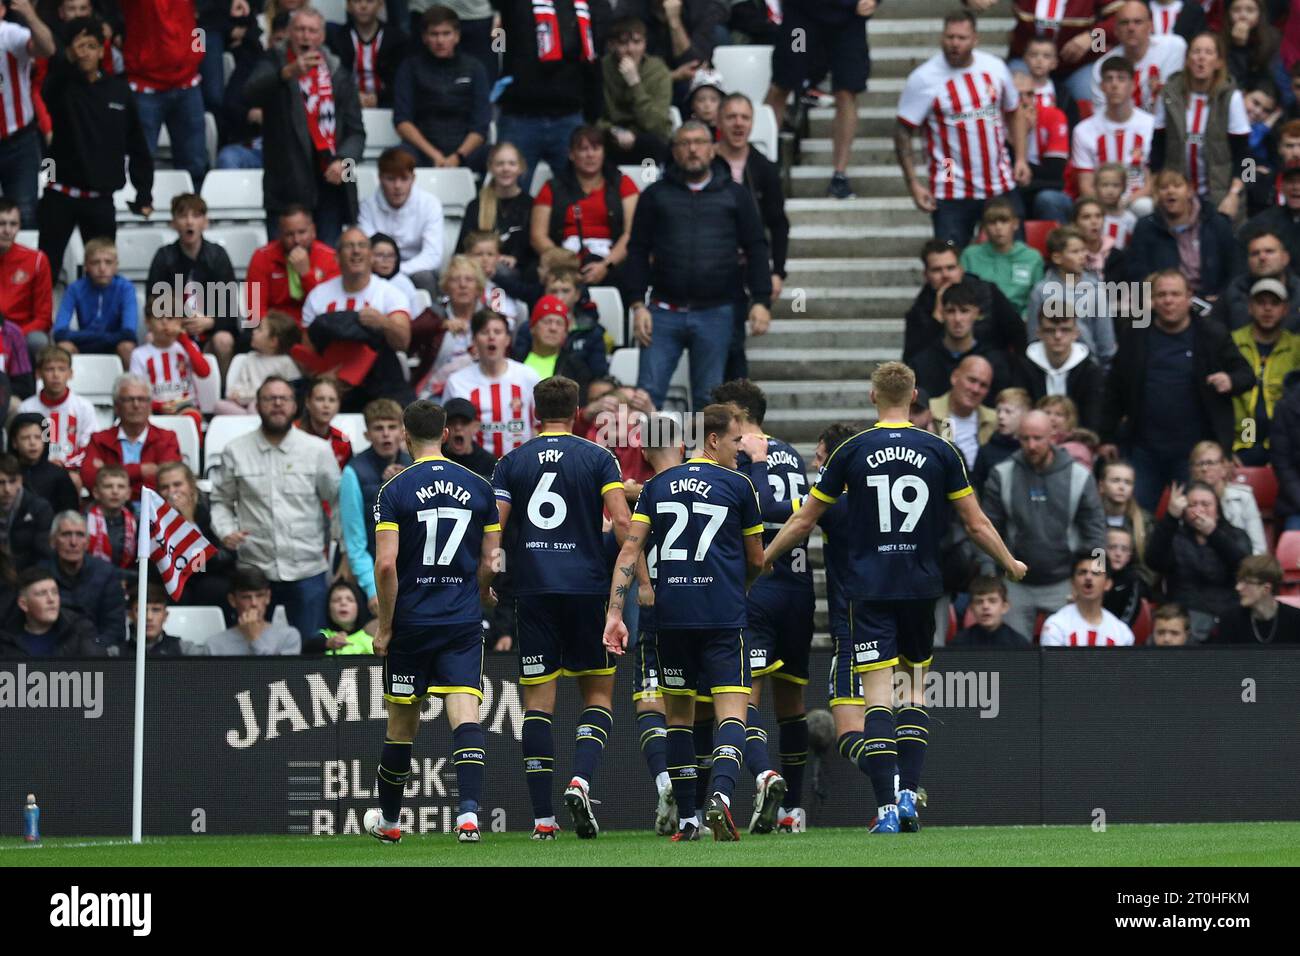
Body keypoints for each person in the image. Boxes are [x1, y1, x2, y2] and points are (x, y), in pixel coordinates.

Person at [761, 361, 1026, 834]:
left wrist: (764, 557)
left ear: (871, 396)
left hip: (869, 589)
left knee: (878, 697)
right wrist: (1009, 562)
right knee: (915, 694)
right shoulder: (940, 450)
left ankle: (886, 808)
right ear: (915, 395)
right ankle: (908, 796)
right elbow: (975, 522)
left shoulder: (853, 450)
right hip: (921, 589)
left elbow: (802, 520)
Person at [602, 402, 768, 842]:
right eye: (735, 441)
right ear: (713, 441)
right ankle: (723, 798)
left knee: (677, 717)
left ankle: (690, 819)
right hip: (722, 615)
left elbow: (629, 552)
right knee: (732, 711)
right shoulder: (738, 484)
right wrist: (740, 587)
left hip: (671, 617)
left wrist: (615, 614)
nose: (739, 450)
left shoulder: (656, 486)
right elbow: (757, 558)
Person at [491, 375, 639, 838]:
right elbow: (619, 520)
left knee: (538, 705)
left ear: (536, 413)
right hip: (588, 588)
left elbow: (494, 530)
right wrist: (637, 577)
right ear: (578, 412)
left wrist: (492, 576)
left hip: (534, 591)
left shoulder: (511, 461)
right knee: (597, 696)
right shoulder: (598, 456)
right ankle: (580, 780)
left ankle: (542, 820)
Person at [364, 398, 497, 843]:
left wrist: (385, 626)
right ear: (444, 434)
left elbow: (385, 565)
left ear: (405, 436)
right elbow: (491, 559)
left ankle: (389, 824)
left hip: (413, 623)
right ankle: (469, 817)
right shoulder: (480, 487)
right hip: (461, 620)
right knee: (465, 714)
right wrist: (480, 593)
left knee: (402, 727)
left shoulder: (395, 489)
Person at [712, 379, 811, 834]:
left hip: (760, 588)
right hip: (799, 587)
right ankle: (792, 809)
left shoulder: (747, 455)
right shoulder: (791, 453)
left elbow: (764, 508)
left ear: (737, 411)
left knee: (743, 696)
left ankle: (762, 781)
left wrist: (750, 467)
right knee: (791, 701)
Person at [628, 122, 773, 411]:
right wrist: (636, 304)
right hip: (662, 312)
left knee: (709, 405)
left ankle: (701, 457)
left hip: (716, 312)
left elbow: (757, 247)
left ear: (712, 148)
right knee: (645, 398)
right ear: (675, 150)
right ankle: (644, 457)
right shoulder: (655, 195)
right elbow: (638, 250)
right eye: (684, 143)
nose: (692, 149)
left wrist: (761, 300)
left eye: (699, 142)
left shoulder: (735, 194)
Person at [1099, 269, 1256, 511]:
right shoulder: (1135, 334)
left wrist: (1229, 380)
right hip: (1144, 449)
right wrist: (1107, 436)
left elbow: (1246, 375)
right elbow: (1114, 388)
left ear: (1189, 296)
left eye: (1175, 294)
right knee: (1136, 517)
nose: (1168, 300)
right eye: (1161, 294)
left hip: (1194, 453)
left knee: (1197, 518)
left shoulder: (1211, 334)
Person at [210, 376, 342, 640]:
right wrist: (226, 531)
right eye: (270, 399)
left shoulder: (316, 450)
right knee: (255, 652)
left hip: (308, 570)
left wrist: (342, 553)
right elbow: (220, 501)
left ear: (295, 406)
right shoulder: (236, 451)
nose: (277, 404)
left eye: (284, 399)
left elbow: (339, 501)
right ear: (257, 405)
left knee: (311, 653)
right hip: (255, 569)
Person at [896, 10, 1030, 246]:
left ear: (975, 39)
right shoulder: (924, 78)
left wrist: (1020, 158)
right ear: (941, 38)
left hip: (998, 181)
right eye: (949, 37)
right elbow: (903, 131)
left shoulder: (995, 68)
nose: (954, 44)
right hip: (951, 183)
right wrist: (914, 184)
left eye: (961, 38)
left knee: (1013, 253)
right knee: (951, 259)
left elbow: (1015, 111)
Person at [38, 16, 153, 287]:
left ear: (103, 50)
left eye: (92, 45)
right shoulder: (60, 86)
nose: (86, 52)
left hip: (100, 200)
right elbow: (48, 89)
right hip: (59, 196)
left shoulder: (119, 91)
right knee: (45, 272)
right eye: (79, 46)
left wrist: (144, 191)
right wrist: (66, 61)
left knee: (102, 276)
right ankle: (40, 327)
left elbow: (137, 144)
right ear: (70, 51)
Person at [244, 7, 365, 245]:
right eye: (299, 29)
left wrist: (344, 161)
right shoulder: (274, 61)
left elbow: (357, 133)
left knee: (326, 270)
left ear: (321, 37)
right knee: (283, 267)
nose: (305, 36)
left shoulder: (338, 71)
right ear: (289, 33)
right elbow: (249, 94)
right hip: (286, 190)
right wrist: (286, 73)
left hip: (331, 187)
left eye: (312, 31)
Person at [983, 409, 1107, 639]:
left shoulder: (1079, 476)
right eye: (1025, 438)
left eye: (1038, 438)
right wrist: (989, 574)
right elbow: (987, 529)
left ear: (1053, 437)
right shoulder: (1002, 474)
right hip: (1014, 584)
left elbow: (1097, 532)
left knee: (1066, 664)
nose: (1031, 445)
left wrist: (1098, 572)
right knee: (1015, 661)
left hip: (1063, 584)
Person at [765, 0, 878, 198]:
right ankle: (761, 164)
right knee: (784, 81)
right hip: (802, 17)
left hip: (848, 19)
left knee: (846, 91)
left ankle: (840, 175)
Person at [493, 0, 607, 188]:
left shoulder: (589, 4)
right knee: (509, 193)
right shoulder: (517, 5)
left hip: (570, 117)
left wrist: (593, 115)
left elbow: (594, 59)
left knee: (578, 194)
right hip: (521, 116)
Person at [716, 92, 789, 382]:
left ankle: (737, 407)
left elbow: (779, 224)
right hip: (712, 265)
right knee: (730, 340)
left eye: (744, 117)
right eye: (731, 116)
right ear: (719, 120)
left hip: (750, 262)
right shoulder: (703, 162)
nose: (738, 123)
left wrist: (778, 271)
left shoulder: (764, 168)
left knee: (734, 341)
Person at [299, 227, 414, 410]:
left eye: (362, 246)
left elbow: (403, 342)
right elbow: (306, 352)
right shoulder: (318, 295)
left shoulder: (390, 293)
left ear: (371, 256)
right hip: (330, 382)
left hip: (379, 382)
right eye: (349, 246)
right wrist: (322, 376)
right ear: (336, 257)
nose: (356, 251)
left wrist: (384, 322)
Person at [1152, 32, 1251, 216]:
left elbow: (1247, 157)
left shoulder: (1232, 98)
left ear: (1219, 62)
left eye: (1208, 52)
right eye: (1196, 52)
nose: (1201, 57)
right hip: (1177, 195)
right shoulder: (1168, 95)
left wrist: (1235, 194)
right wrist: (1154, 188)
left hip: (1220, 196)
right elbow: (1157, 147)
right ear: (1187, 59)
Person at [530, 125, 638, 292]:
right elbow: (537, 236)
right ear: (571, 155)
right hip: (564, 258)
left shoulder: (623, 184)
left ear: (603, 152)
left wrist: (606, 265)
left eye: (595, 148)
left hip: (612, 259)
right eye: (583, 149)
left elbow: (631, 233)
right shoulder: (552, 187)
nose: (590, 155)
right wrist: (565, 262)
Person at [144, 194, 239, 377]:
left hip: (210, 332)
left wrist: (210, 321)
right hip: (174, 331)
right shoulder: (164, 257)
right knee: (150, 338)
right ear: (173, 223)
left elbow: (230, 307)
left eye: (196, 216)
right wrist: (176, 324)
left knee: (224, 340)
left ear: (205, 222)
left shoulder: (218, 256)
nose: (189, 222)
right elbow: (153, 304)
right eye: (183, 216)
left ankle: (223, 392)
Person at [1147, 478, 1253, 639]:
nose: (1199, 510)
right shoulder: (1173, 536)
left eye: (1205, 504)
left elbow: (1246, 568)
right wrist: (1170, 517)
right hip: (1185, 618)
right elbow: (1154, 561)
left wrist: (1213, 534)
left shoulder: (1236, 535)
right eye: (1192, 505)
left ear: (1217, 509)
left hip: (1228, 614)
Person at [118, 0, 208, 188]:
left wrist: (196, 54)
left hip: (188, 82)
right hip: (144, 86)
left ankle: (193, 213)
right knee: (139, 163)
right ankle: (139, 211)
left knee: (195, 164)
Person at [392, 6, 489, 172]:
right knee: (395, 158)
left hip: (466, 151)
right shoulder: (409, 67)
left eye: (446, 34)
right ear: (424, 38)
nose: (440, 40)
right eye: (434, 34)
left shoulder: (475, 68)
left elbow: (480, 126)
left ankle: (487, 199)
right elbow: (402, 121)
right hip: (422, 150)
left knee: (501, 156)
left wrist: (458, 156)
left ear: (457, 36)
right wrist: (435, 155)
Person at [903, 239, 1028, 366]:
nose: (945, 275)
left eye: (950, 268)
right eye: (937, 270)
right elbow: (911, 359)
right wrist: (936, 321)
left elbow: (1018, 334)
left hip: (991, 370)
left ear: (961, 269)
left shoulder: (988, 293)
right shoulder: (919, 310)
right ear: (926, 275)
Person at [339, 398, 412, 615]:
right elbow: (355, 541)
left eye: (392, 427)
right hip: (375, 577)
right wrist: (373, 589)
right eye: (378, 428)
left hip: (415, 575)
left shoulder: (415, 464)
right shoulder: (354, 472)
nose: (386, 434)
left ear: (402, 431)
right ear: (367, 434)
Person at [1122, 169, 1236, 298]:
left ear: (1190, 191)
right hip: (1166, 301)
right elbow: (1137, 272)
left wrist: (1221, 298)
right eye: (1163, 187)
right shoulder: (1145, 227)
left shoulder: (1216, 222)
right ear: (1157, 194)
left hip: (1213, 300)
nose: (1170, 191)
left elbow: (1234, 269)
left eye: (1177, 186)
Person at [443, 311, 541, 458]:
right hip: (476, 472)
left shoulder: (528, 377)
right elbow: (446, 432)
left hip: (521, 470)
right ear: (474, 340)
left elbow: (540, 425)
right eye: (484, 332)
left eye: (497, 332)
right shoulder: (457, 382)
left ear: (508, 339)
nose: (491, 337)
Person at [75, 374, 182, 499]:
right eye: (128, 400)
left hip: (154, 510)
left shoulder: (167, 438)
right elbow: (89, 479)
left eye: (141, 399)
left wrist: (108, 473)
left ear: (150, 405)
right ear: (116, 406)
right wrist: (140, 471)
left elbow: (168, 482)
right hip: (109, 511)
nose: (136, 405)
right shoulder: (99, 440)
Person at [1024, 226, 1118, 369]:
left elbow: (1105, 339)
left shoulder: (1096, 288)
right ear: (1057, 257)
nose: (1082, 256)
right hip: (1048, 366)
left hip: (1089, 366)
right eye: (1075, 252)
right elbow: (1034, 339)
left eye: (1083, 250)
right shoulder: (1040, 291)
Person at [1071, 56, 1156, 213]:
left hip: (1138, 200)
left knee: (1145, 207)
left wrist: (1127, 201)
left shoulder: (1151, 126)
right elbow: (1086, 185)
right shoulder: (1083, 130)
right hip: (1099, 203)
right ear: (1102, 86)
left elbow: (1155, 178)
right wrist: (1109, 206)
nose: (1115, 85)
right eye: (1109, 79)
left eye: (1121, 79)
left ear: (1133, 84)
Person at [1229, 278, 1300, 465]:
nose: (1267, 309)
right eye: (1261, 303)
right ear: (1250, 307)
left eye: (1275, 303)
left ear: (1285, 309)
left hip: (1285, 445)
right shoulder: (1231, 343)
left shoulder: (1296, 347)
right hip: (1241, 442)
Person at [908, 280, 1013, 406]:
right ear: (941, 313)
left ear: (977, 313)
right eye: (951, 311)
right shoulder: (922, 362)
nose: (958, 319)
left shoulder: (994, 362)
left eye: (964, 311)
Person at [357, 148, 444, 295]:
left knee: (425, 277)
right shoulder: (367, 206)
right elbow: (367, 250)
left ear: (413, 178)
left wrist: (398, 270)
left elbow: (433, 255)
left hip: (416, 271)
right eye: (391, 179)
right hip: (377, 270)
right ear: (380, 178)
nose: (397, 186)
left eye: (404, 179)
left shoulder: (430, 204)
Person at [0, 0, 55, 228]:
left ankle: (26, 264)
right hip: (20, 139)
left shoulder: (9, 35)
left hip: (18, 141)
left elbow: (47, 49)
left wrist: (29, 15)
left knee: (25, 213)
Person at [155, 460, 236, 610]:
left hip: (210, 573)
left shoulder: (211, 508)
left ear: (191, 485)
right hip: (175, 577)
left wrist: (188, 520)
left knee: (211, 588)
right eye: (165, 487)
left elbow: (222, 556)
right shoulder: (154, 516)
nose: (172, 491)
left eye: (177, 484)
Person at [245, 205, 341, 326]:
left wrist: (306, 275)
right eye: (289, 234)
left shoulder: (330, 258)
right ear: (279, 235)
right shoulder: (261, 257)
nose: (296, 240)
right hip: (275, 332)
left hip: (316, 330)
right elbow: (255, 312)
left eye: (302, 232)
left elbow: (328, 309)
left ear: (313, 231)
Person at [1014, 306, 1105, 432]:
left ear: (1076, 334)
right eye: (1050, 330)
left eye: (1065, 330)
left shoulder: (1090, 371)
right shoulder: (1024, 367)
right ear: (1039, 333)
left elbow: (1092, 418)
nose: (1057, 336)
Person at [456, 142, 536, 284]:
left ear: (521, 168)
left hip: (518, 277)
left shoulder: (532, 205)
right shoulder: (476, 205)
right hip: (478, 273)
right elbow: (461, 250)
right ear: (490, 168)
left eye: (512, 164)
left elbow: (533, 253)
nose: (506, 169)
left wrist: (516, 260)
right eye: (500, 164)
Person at [44, 508, 124, 649]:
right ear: (53, 541)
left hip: (96, 655)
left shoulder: (106, 574)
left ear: (87, 542)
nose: (73, 542)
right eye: (66, 534)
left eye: (80, 535)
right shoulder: (41, 575)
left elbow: (115, 626)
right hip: (51, 654)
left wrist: (93, 650)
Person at [599, 15, 672, 166]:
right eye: (623, 43)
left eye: (637, 42)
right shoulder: (602, 69)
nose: (631, 49)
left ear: (645, 44)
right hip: (612, 135)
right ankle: (610, 186)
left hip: (645, 136)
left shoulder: (658, 71)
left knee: (654, 143)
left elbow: (657, 124)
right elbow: (594, 116)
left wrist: (635, 83)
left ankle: (649, 184)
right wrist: (613, 131)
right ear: (612, 45)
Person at [1091, 1, 1187, 114]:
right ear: (1116, 30)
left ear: (1150, 26)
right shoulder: (1102, 66)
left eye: (1138, 22)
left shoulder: (1174, 47)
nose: (1131, 28)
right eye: (1124, 23)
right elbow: (1102, 116)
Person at [52, 238, 137, 364]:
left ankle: (131, 382)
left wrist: (88, 336)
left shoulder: (126, 288)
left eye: (108, 262)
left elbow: (129, 332)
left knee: (127, 347)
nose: (102, 268)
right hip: (85, 346)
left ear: (116, 266)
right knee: (64, 347)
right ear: (86, 266)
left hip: (113, 346)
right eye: (95, 262)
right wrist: (102, 336)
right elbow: (59, 332)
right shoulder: (75, 288)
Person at [130, 302, 211, 432]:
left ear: (180, 321)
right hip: (154, 409)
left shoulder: (188, 347)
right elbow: (137, 390)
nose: (165, 323)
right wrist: (159, 406)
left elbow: (204, 372)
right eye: (159, 317)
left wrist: (183, 338)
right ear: (148, 322)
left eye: (170, 318)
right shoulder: (139, 354)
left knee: (191, 419)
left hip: (186, 406)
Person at [191, 565, 304, 656]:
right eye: (246, 597)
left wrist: (254, 639)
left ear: (268, 597)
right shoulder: (215, 644)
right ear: (232, 600)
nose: (254, 603)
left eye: (259, 596)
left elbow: (280, 677)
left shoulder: (288, 636)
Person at [412, 256, 486, 392]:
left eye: (469, 280)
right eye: (455, 280)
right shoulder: (435, 314)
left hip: (482, 386)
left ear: (478, 287)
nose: (462, 285)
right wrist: (441, 324)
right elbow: (410, 334)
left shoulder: (489, 318)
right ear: (446, 287)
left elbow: (507, 351)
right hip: (439, 388)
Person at [960, 199, 1046, 315]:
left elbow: (1038, 297)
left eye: (1004, 221)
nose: (998, 227)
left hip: (1019, 321)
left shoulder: (1032, 257)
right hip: (981, 319)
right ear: (984, 227)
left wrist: (1026, 319)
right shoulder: (970, 255)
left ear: (1015, 224)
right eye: (992, 222)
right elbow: (963, 295)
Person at [18, 346, 97, 468]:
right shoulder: (26, 408)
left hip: (73, 471)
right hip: (35, 470)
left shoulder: (84, 407)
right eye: (49, 369)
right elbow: (20, 448)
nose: (56, 375)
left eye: (61, 369)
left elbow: (90, 448)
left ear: (70, 374)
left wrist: (65, 465)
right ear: (39, 374)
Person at [1187, 439, 1268, 554]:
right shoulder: (1185, 501)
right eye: (1199, 464)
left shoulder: (1244, 497)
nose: (1204, 469)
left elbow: (1259, 548)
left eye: (1210, 463)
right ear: (1192, 470)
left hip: (1240, 565)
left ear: (1224, 468)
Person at [1211, 230, 1300, 333]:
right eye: (1255, 253)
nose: (1262, 257)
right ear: (1248, 261)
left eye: (1269, 251)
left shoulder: (1298, 293)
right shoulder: (1233, 293)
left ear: (1285, 258)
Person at [1040, 552, 1137, 646]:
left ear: (1108, 584)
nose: (1088, 577)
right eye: (1082, 572)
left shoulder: (1122, 632)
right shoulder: (1056, 625)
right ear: (1072, 582)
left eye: (1096, 573)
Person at [0, 567, 99, 658]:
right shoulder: (6, 639)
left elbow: (99, 672)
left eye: (55, 592)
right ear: (23, 604)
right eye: (42, 594)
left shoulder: (79, 630)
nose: (51, 599)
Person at [215, 311, 302, 415]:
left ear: (273, 341)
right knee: (219, 406)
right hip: (244, 402)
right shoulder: (250, 358)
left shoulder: (285, 363)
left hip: (270, 405)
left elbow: (294, 390)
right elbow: (240, 383)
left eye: (259, 330)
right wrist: (236, 393)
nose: (254, 332)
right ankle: (248, 418)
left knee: (255, 407)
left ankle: (248, 419)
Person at [325, 0, 407, 108]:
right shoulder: (336, 38)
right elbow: (334, 78)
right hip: (346, 103)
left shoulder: (398, 39)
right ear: (348, 6)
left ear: (380, 5)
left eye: (370, 1)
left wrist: (379, 97)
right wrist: (352, 96)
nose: (363, 6)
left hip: (389, 104)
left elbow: (402, 81)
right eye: (357, 1)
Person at [521, 296, 599, 399]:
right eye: (547, 322)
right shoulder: (516, 361)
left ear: (565, 333)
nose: (553, 328)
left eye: (559, 323)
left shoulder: (576, 367)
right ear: (532, 328)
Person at [0, 201, 52, 353]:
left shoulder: (36, 260)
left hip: (22, 333)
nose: (7, 230)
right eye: (1, 223)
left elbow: (43, 318)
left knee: (38, 341)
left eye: (13, 224)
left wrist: (13, 336)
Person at [928, 355, 997, 468]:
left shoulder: (993, 420)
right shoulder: (930, 410)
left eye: (983, 385)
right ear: (955, 377)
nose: (976, 389)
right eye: (972, 380)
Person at [1216, 554, 1300, 642]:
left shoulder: (1295, 619)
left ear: (1266, 588)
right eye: (1239, 581)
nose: (1238, 587)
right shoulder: (1230, 619)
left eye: (1246, 582)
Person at [8, 413, 77, 514]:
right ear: (14, 442)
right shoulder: (6, 473)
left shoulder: (59, 475)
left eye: (37, 437)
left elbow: (69, 515)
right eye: (25, 438)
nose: (32, 442)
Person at [971, 386, 1031, 493]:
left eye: (1008, 411)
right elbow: (977, 488)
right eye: (998, 411)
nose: (1001, 416)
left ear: (1025, 415)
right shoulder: (986, 451)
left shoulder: (1032, 448)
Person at [0, 452, 52, 569]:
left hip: (27, 575)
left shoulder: (39, 509)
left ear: (20, 480)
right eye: (1, 483)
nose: (7, 489)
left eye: (12, 481)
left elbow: (44, 555)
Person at [949, 575, 1030, 646]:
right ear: (971, 608)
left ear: (1005, 607)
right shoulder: (959, 643)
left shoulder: (1019, 644)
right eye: (979, 602)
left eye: (992, 601)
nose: (985, 606)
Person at [84, 465, 135, 575]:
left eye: (121, 487)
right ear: (96, 492)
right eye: (108, 486)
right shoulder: (83, 522)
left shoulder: (138, 524)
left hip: (129, 583)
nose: (115, 491)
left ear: (128, 494)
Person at [296, 375, 353, 470]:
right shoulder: (291, 433)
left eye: (332, 400)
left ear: (339, 405)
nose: (326, 405)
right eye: (320, 399)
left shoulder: (342, 442)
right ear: (307, 402)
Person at [1102, 525, 1154, 630]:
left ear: (1129, 556)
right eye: (1112, 547)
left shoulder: (1133, 580)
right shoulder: (1094, 575)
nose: (1118, 554)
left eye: (1124, 549)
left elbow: (1127, 618)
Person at [1098, 458, 1152, 558]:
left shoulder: (1146, 522)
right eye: (1115, 480)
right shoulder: (1089, 519)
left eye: (1128, 482)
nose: (1122, 487)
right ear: (1101, 486)